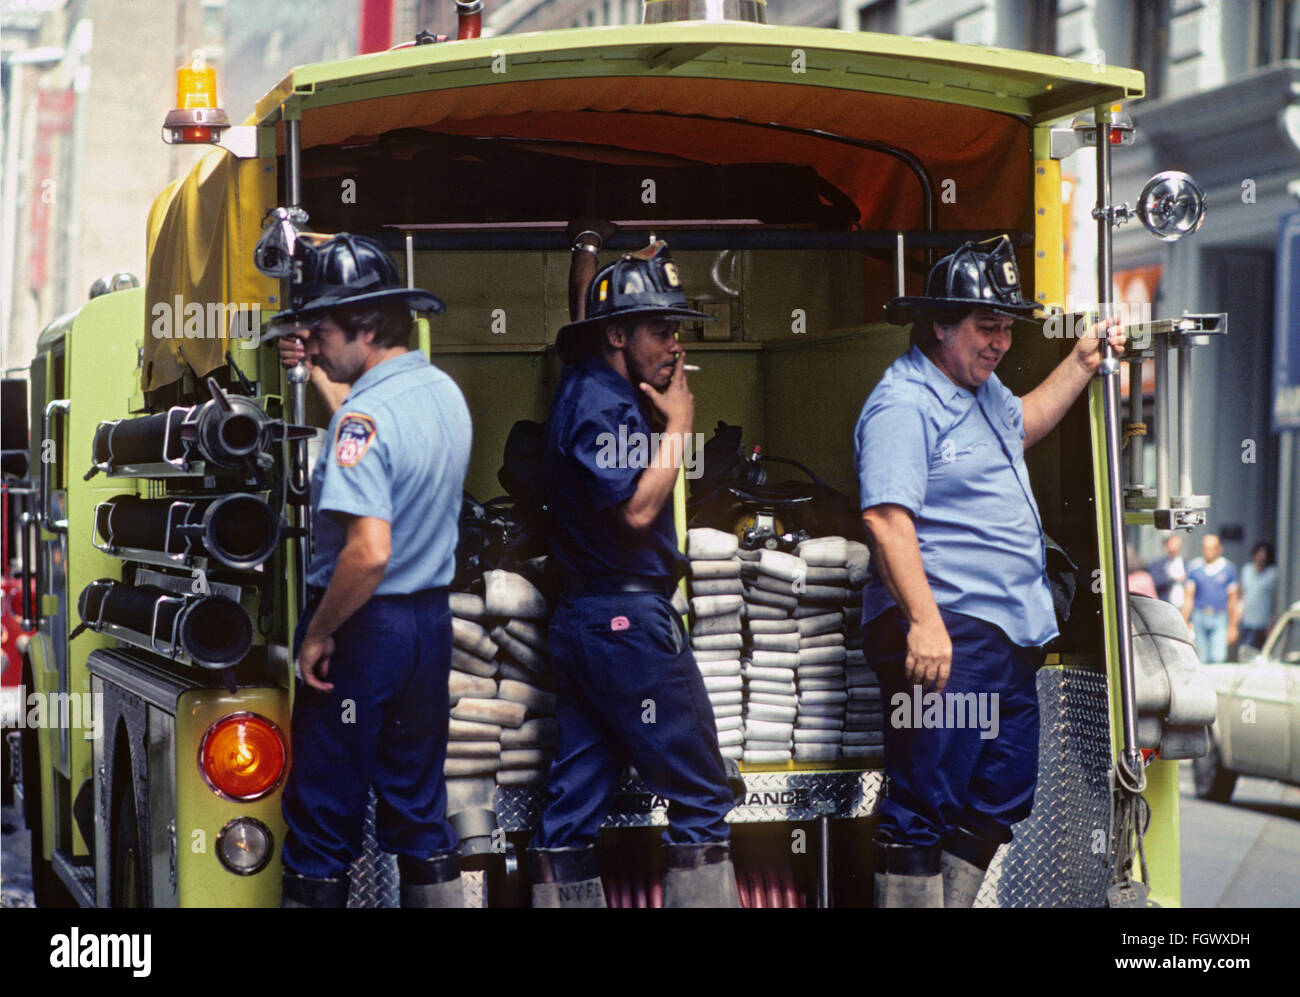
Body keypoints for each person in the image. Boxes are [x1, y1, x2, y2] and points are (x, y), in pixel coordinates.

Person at [854, 235, 1126, 908]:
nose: (1000, 341)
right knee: (924, 798)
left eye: (1006, 327)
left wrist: (1082, 360)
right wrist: (924, 622)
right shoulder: (903, 403)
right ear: (941, 323)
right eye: (987, 326)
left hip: (1005, 635)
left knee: (1003, 790)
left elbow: (1023, 422)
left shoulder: (979, 390)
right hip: (949, 629)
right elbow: (886, 519)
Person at [528, 236, 739, 908]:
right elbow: (638, 509)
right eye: (658, 329)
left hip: (591, 623)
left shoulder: (593, 384)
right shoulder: (601, 402)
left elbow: (587, 314)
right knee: (703, 790)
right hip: (624, 625)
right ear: (616, 334)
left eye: (677, 328)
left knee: (574, 800)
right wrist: (679, 425)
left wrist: (594, 253)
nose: (674, 345)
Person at [263, 233, 472, 907]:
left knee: (325, 809)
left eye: (321, 331)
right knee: (418, 807)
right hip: (426, 626)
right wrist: (326, 377)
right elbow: (377, 434)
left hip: (362, 625)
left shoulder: (363, 418)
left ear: (370, 326)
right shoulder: (441, 393)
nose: (313, 344)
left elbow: (369, 551)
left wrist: (321, 631)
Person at [1182, 534, 1239, 663]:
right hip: (1200, 615)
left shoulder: (1228, 568)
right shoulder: (1194, 568)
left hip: (1219, 615)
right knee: (1202, 658)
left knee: (1218, 657)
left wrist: (1233, 626)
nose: (1208, 551)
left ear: (1219, 549)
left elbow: (1232, 599)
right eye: (1205, 548)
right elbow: (1189, 598)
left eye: (1212, 548)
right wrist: (1184, 621)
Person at [1235, 541, 1279, 652]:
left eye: (1264, 554)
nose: (1261, 557)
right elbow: (1242, 595)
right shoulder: (1247, 570)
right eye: (1259, 553)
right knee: (1245, 651)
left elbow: (1276, 599)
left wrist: (1272, 622)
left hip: (1263, 623)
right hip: (1247, 621)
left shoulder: (1273, 574)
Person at [1148, 533, 1187, 610]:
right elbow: (1154, 582)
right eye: (1172, 545)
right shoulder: (1158, 564)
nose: (1175, 548)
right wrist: (1172, 579)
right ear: (1166, 545)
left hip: (1181, 607)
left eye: (1177, 546)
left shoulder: (1185, 563)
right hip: (1164, 606)